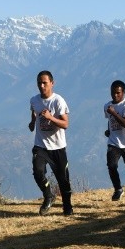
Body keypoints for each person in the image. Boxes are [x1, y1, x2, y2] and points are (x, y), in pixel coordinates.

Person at [28, 70, 73, 215]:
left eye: (44, 83)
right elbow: (34, 113)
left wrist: (50, 118)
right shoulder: (34, 100)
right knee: (37, 172)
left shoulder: (58, 101)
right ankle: (48, 195)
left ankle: (67, 207)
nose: (41, 86)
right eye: (39, 83)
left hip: (58, 147)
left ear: (52, 83)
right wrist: (32, 122)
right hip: (41, 146)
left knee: (63, 181)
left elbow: (65, 124)